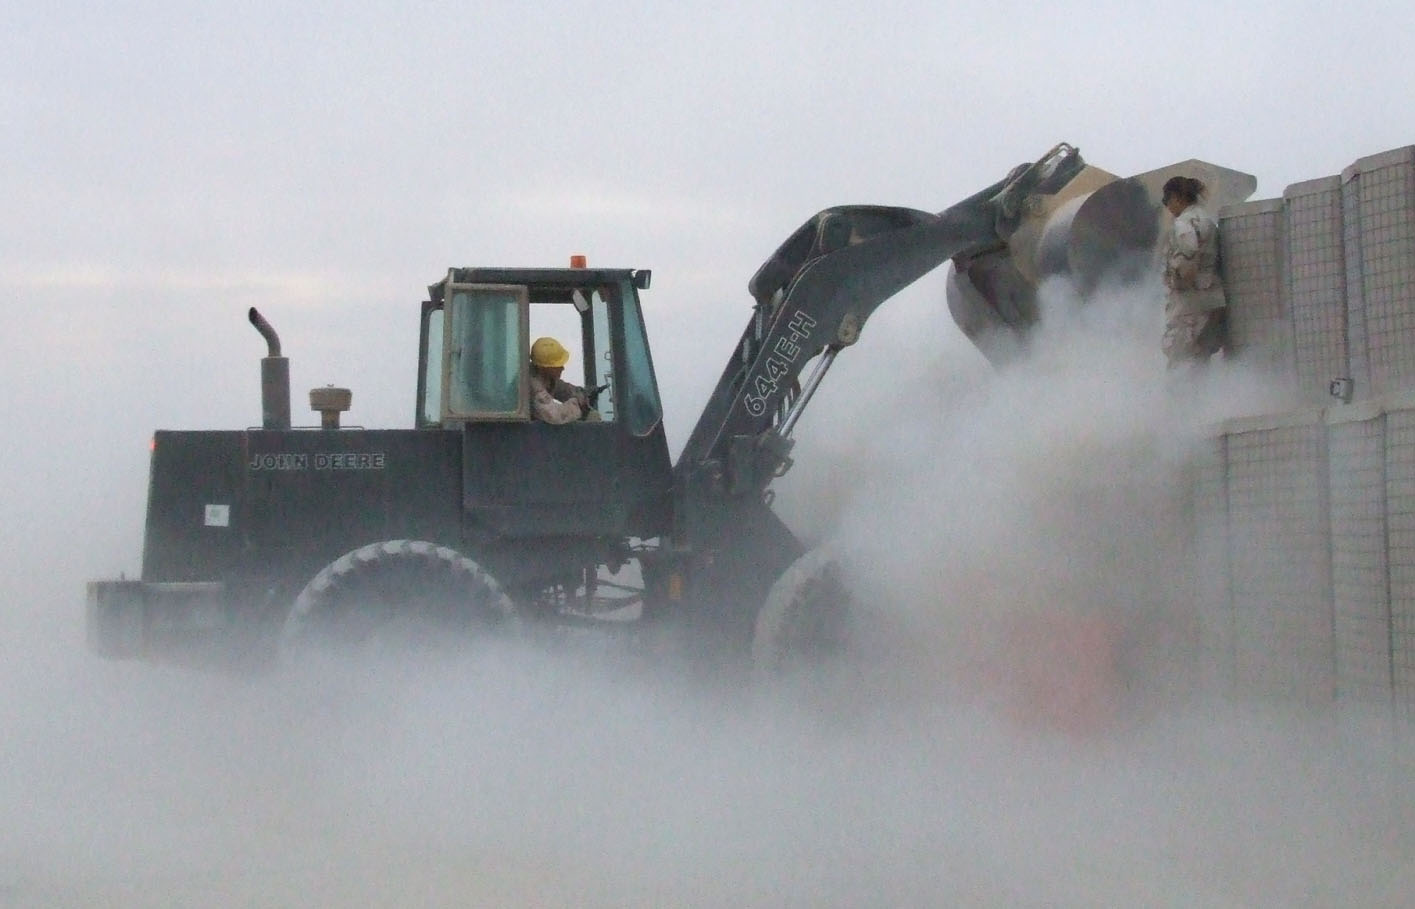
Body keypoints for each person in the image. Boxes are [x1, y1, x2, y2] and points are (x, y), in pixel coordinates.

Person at [1160, 175, 1227, 367]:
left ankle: (1181, 398)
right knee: (1201, 361)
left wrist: (1176, 280)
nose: (1167, 206)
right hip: (1213, 300)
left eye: (1167, 200)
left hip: (1190, 304)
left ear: (1177, 197)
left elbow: (1188, 256)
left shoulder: (1183, 223)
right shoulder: (1207, 220)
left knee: (1180, 362)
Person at [529, 336, 592, 423]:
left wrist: (583, 394)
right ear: (543, 367)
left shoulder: (544, 376)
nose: (562, 368)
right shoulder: (534, 387)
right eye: (556, 366)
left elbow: (563, 389)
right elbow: (555, 416)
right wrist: (578, 405)